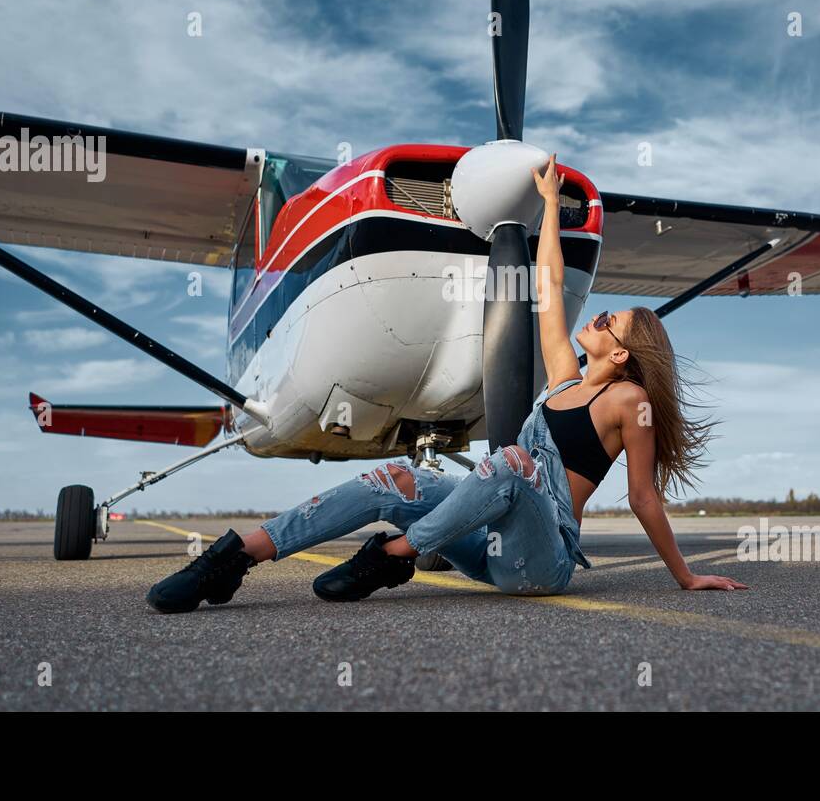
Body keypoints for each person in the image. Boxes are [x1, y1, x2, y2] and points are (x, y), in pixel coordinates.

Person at [145, 155, 748, 613]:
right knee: (398, 478)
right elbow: (545, 287)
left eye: (613, 321)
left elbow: (643, 497)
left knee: (512, 459)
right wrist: (537, 207)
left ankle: (392, 557)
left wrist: (687, 577)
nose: (601, 314)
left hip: (541, 560)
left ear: (622, 353)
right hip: (485, 545)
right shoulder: (566, 377)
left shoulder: (630, 401)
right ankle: (233, 558)